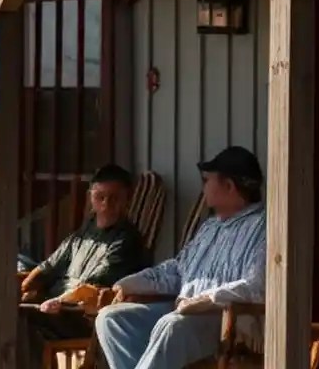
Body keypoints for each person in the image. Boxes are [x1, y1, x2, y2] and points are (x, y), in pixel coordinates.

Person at [0, 164, 149, 368]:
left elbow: (91, 289)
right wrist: (7, 293)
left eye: (115, 198)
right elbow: (46, 268)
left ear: (127, 200)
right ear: (90, 198)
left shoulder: (126, 240)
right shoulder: (82, 235)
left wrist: (50, 301)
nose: (106, 204)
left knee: (15, 319)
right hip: (50, 309)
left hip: (81, 315)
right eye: (100, 197)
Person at [94, 146, 266, 369]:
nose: (203, 188)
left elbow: (256, 287)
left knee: (171, 325)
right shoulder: (210, 227)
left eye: (207, 181)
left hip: (224, 319)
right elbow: (177, 270)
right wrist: (127, 284)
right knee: (112, 319)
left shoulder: (264, 226)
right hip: (183, 310)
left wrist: (202, 300)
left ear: (229, 186)